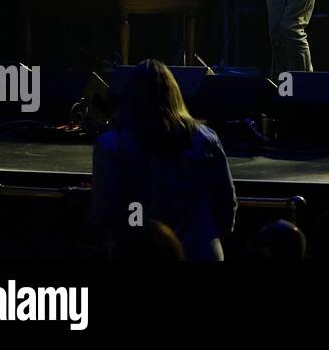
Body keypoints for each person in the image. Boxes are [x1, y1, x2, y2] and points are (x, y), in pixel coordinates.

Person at [91, 59, 237, 261]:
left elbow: (106, 211)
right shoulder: (205, 138)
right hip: (200, 251)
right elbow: (225, 202)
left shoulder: (111, 145)